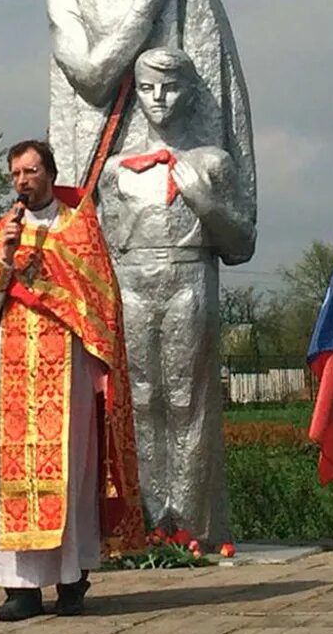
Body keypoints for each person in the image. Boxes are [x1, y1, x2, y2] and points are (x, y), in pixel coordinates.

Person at [0, 141, 144, 621]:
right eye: (15, 173)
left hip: (68, 372)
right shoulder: (1, 235)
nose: (23, 180)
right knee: (10, 480)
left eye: (31, 170)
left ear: (50, 172)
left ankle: (71, 580)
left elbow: (103, 306)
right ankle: (20, 588)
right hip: (14, 370)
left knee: (72, 475)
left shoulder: (79, 229)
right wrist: (4, 260)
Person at [99, 48, 254, 546]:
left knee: (188, 400)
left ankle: (190, 523)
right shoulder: (116, 168)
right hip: (133, 282)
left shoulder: (212, 161)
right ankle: (147, 519)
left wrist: (207, 204)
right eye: (147, 88)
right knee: (141, 399)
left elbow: (242, 244)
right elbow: (102, 245)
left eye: (169, 88)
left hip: (188, 277)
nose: (158, 99)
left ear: (189, 92)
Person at [46, 0, 255, 226]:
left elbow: (213, 93)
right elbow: (92, 79)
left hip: (178, 185)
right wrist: (144, 7)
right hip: (101, 179)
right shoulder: (66, 0)